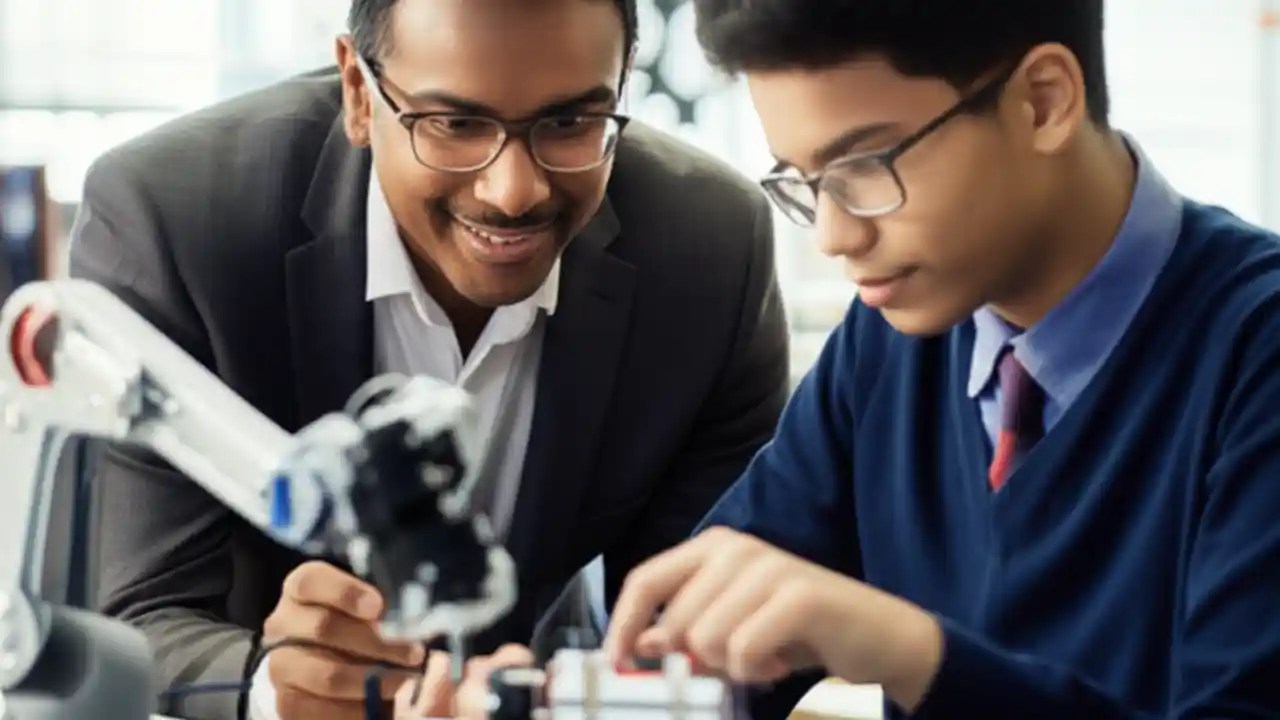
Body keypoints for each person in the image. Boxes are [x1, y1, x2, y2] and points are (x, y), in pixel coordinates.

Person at [67, 0, 791, 718]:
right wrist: (270, 686)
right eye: (454, 124)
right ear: (358, 91)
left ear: (622, 81)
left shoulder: (712, 250)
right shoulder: (175, 219)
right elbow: (134, 611)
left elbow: (711, 616)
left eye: (570, 122)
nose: (513, 192)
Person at [595, 1, 1280, 719]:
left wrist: (910, 653)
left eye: (864, 164)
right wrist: (581, 692)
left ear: (1043, 102)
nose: (833, 236)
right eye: (804, 180)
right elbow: (707, 645)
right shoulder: (887, 339)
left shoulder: (1252, 356)